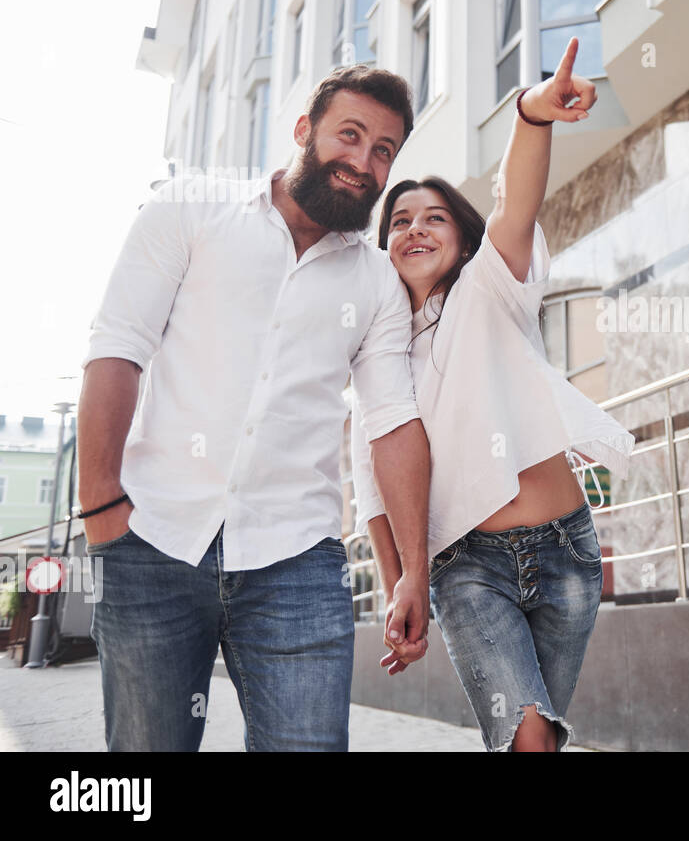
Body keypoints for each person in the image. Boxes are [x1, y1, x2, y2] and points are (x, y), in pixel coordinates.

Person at [78, 66, 433, 751]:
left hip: (296, 558)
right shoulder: (191, 209)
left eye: (383, 150)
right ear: (303, 130)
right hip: (152, 538)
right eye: (349, 135)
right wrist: (102, 510)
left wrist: (412, 570)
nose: (363, 162)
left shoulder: (378, 283)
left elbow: (392, 421)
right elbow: (118, 345)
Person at [350, 37, 634, 751]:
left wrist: (531, 115)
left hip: (567, 551)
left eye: (434, 217)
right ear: (385, 249)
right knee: (528, 735)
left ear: (462, 236)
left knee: (538, 741)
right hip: (467, 568)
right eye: (400, 222)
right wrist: (400, 587)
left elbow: (515, 202)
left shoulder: (491, 288)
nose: (415, 228)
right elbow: (375, 492)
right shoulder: (376, 359)